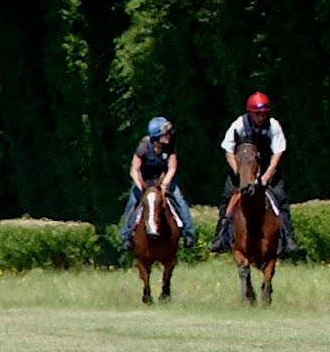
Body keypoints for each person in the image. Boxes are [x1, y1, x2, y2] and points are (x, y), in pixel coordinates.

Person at [209, 92, 298, 254]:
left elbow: (277, 153)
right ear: (250, 113)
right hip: (242, 168)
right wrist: (238, 171)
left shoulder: (273, 125)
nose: (261, 117)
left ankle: (289, 237)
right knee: (227, 197)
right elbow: (228, 150)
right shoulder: (239, 124)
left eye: (264, 113)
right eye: (257, 114)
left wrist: (266, 176)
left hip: (265, 168)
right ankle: (220, 237)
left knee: (280, 197)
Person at [119, 117, 197, 248]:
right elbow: (134, 170)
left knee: (179, 200)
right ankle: (126, 235)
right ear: (156, 136)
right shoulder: (144, 147)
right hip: (145, 181)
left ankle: (188, 233)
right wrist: (141, 187)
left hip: (164, 179)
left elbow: (172, 168)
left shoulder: (170, 146)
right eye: (165, 134)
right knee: (133, 202)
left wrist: (165, 184)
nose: (168, 136)